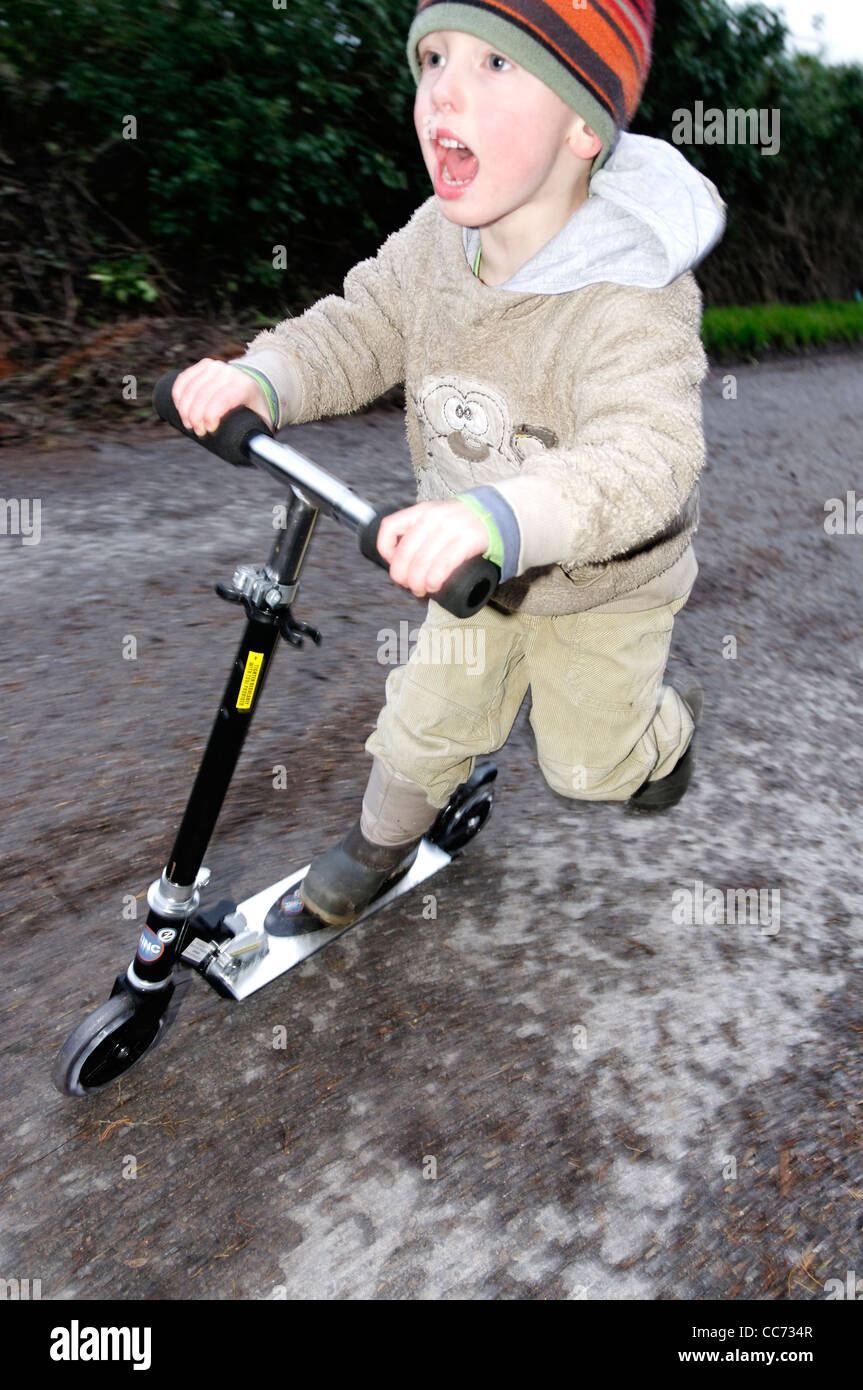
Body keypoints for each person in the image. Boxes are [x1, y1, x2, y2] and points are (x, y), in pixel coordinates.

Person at [171, 0, 725, 929]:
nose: (443, 93)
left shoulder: (636, 291)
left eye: (497, 65)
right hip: (472, 577)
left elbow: (650, 453)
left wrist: (503, 516)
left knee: (586, 770)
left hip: (600, 588)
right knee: (425, 720)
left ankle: (659, 731)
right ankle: (380, 843)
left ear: (584, 124)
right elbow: (357, 329)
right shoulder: (435, 240)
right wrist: (262, 378)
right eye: (432, 58)